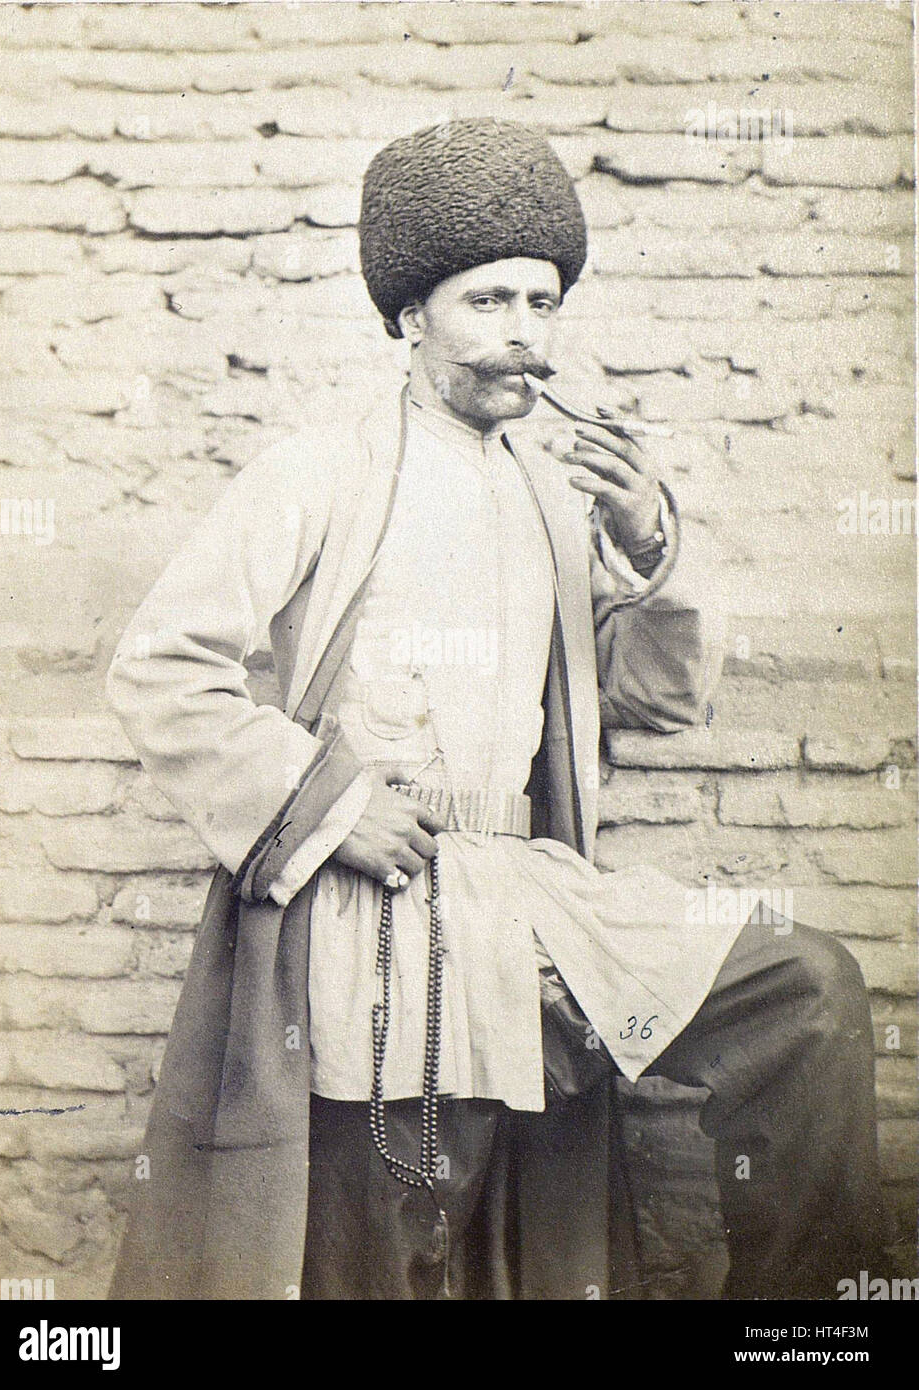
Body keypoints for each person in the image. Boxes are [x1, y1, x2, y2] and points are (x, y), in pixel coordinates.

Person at [107, 118, 885, 1301]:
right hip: (363, 886)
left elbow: (652, 706)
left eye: (542, 300)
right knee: (394, 1232)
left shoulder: (551, 487)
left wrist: (652, 557)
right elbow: (163, 664)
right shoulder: (318, 471)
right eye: (488, 300)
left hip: (521, 881)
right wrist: (327, 805)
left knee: (808, 991)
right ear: (410, 318)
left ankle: (806, 1329)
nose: (525, 333)